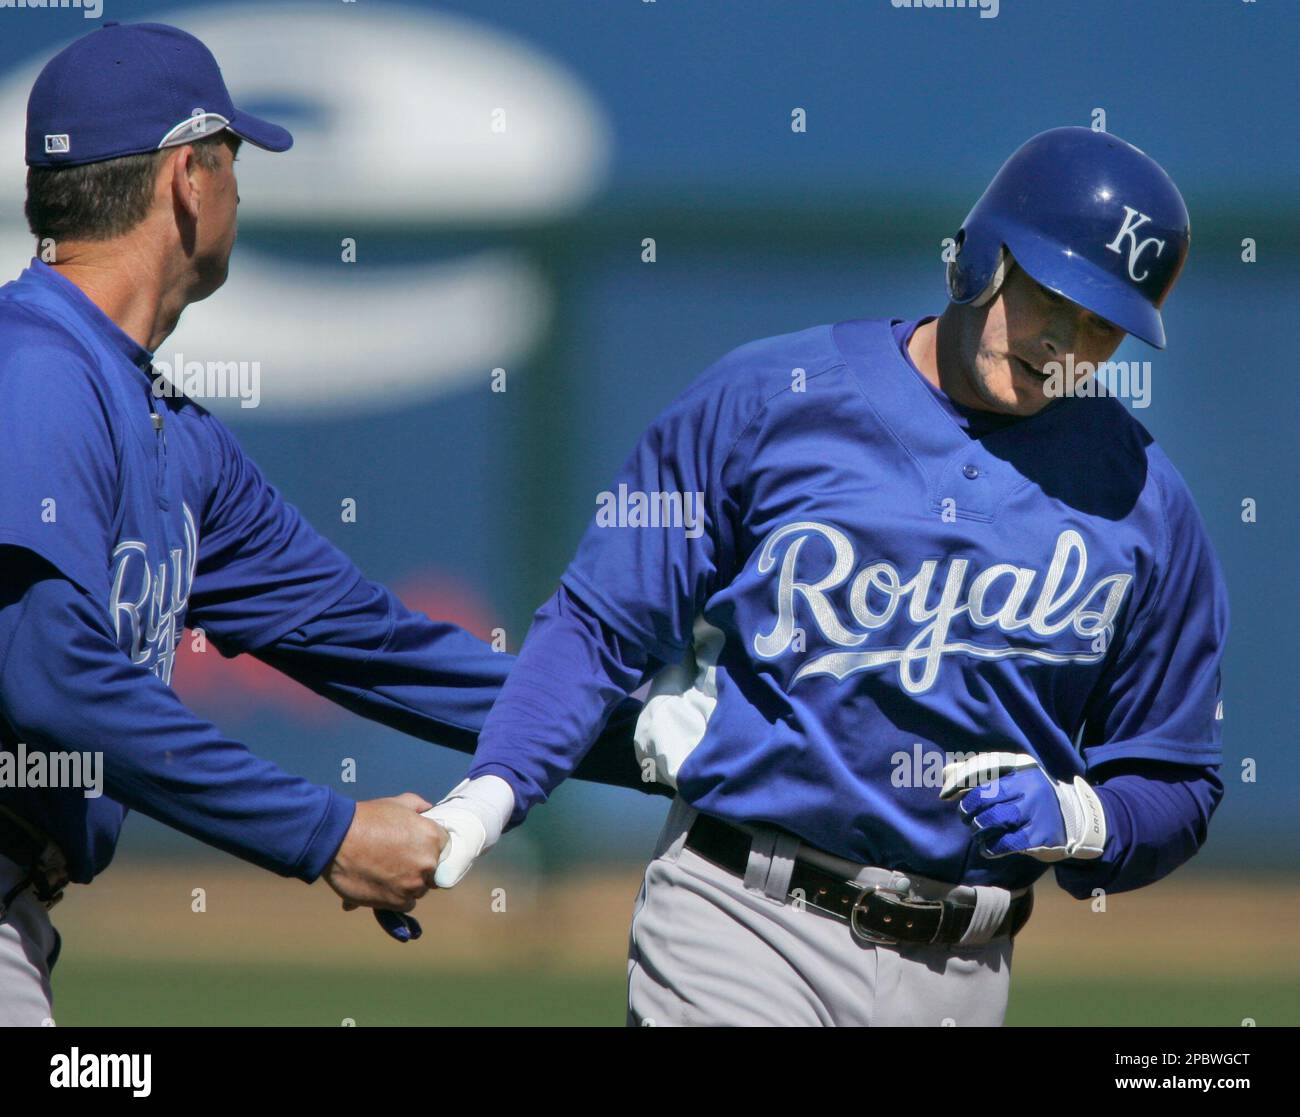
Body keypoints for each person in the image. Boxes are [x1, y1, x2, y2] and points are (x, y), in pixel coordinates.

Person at [420, 127, 1229, 1027]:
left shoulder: (1145, 505)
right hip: (742, 918)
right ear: (981, 259)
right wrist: (490, 796)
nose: (1064, 344)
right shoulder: (772, 399)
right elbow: (601, 622)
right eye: (1050, 296)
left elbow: (1175, 776)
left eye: (1102, 324)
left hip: (966, 969)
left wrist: (1086, 821)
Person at [0, 21, 657, 1028]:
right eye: (235, 163)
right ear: (190, 176)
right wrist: (327, 832)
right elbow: (51, 675)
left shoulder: (172, 431)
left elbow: (377, 648)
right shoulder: (35, 372)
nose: (237, 192)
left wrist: (688, 744)